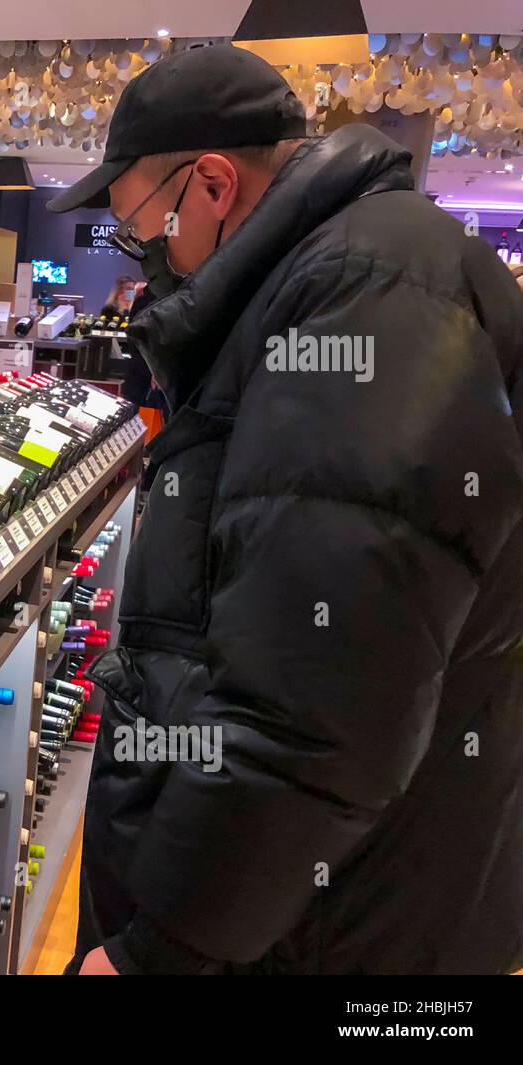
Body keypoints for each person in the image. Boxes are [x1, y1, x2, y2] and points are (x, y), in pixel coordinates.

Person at [47, 44, 523, 975]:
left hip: (328, 929)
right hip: (325, 906)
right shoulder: (343, 277)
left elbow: (318, 705)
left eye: (142, 226)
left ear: (213, 184)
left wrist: (163, 949)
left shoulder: (368, 299)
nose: (148, 259)